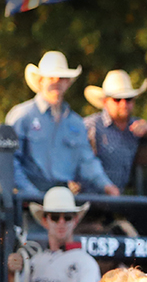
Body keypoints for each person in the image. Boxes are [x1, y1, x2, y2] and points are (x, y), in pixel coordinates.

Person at [6, 52, 120, 198]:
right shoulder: (22, 116)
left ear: (68, 83)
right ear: (40, 81)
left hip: (63, 197)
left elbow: (86, 161)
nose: (57, 82)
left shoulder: (75, 122)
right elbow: (9, 161)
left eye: (62, 78)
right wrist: (29, 194)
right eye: (51, 77)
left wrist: (107, 186)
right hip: (28, 200)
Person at [83, 70, 147, 193]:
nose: (123, 104)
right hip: (89, 200)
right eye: (117, 99)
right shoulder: (91, 126)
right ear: (105, 102)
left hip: (117, 201)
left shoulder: (136, 126)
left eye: (128, 99)